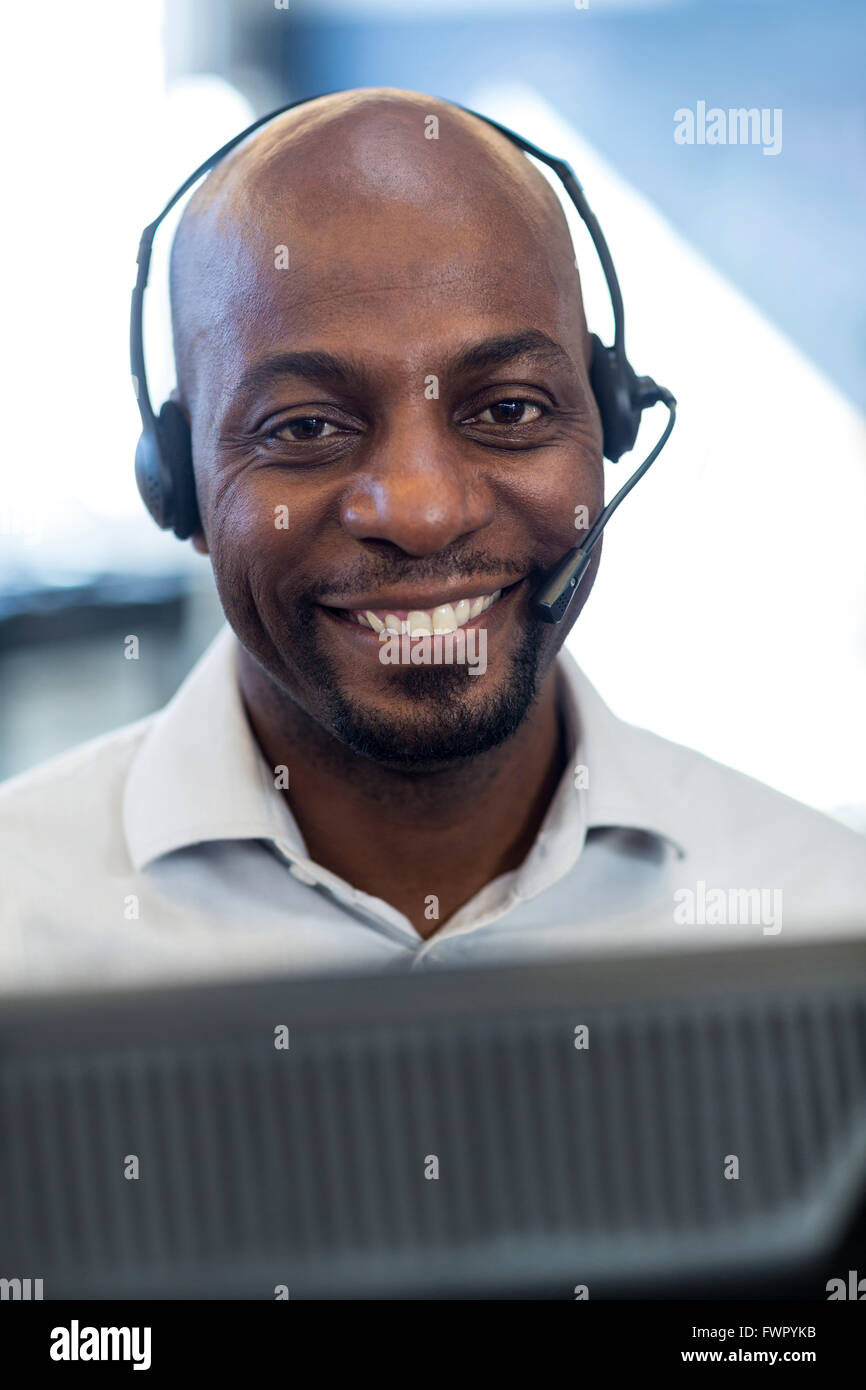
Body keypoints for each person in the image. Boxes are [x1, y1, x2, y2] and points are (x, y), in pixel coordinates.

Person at [1, 88, 863, 993]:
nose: (421, 513)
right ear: (178, 484)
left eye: (507, 410)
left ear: (607, 424)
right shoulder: (25, 929)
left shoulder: (824, 916)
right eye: (303, 428)